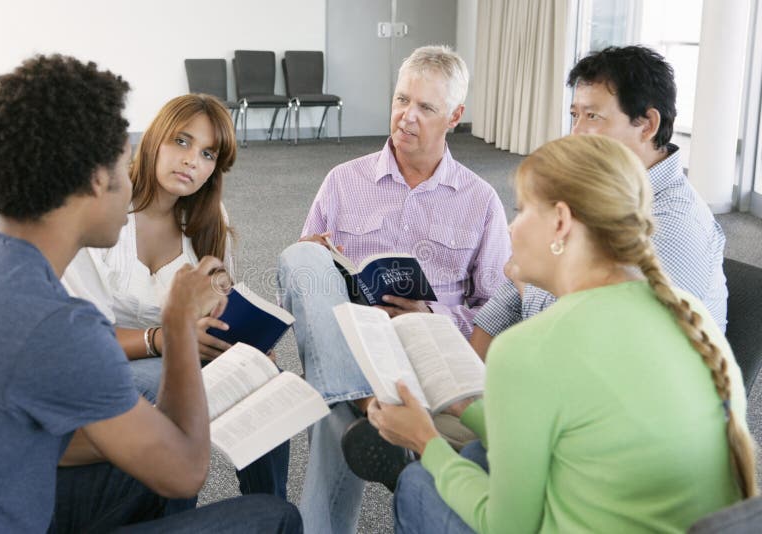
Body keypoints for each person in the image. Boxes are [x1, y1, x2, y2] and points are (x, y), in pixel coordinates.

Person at [0, 54, 301, 533]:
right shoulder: (60, 323)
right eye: (125, 165)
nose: (130, 190)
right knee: (276, 518)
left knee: (153, 451)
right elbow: (185, 471)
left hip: (15, 486)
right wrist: (177, 329)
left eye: (207, 154)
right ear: (99, 180)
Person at [368, 134, 756, 533]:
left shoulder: (530, 348)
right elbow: (589, 433)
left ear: (560, 222)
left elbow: (505, 526)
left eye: (520, 211)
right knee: (476, 453)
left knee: (418, 481)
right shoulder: (691, 315)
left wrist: (425, 440)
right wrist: (465, 408)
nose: (510, 228)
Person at [277, 45, 511, 534]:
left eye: (426, 107)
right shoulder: (343, 181)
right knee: (300, 257)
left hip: (430, 354)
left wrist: (431, 313)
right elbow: (302, 288)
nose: (407, 116)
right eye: (402, 99)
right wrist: (319, 258)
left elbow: (498, 309)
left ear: (455, 116)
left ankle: (361, 407)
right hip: (352, 344)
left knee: (334, 415)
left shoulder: (481, 201)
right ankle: (364, 402)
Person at [61, 93, 289, 499]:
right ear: (155, 138)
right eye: (181, 142)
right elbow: (75, 337)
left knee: (268, 382)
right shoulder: (103, 209)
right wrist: (163, 339)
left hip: (184, 354)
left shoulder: (208, 220)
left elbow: (218, 308)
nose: (191, 161)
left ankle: (268, 511)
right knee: (160, 388)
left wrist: (242, 345)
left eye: (207, 154)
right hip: (108, 363)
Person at [471, 45, 728, 358]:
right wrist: (467, 373)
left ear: (647, 124)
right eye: (575, 115)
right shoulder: (595, 187)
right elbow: (513, 287)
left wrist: (527, 278)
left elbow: (596, 339)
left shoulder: (674, 224)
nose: (575, 133)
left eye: (593, 116)